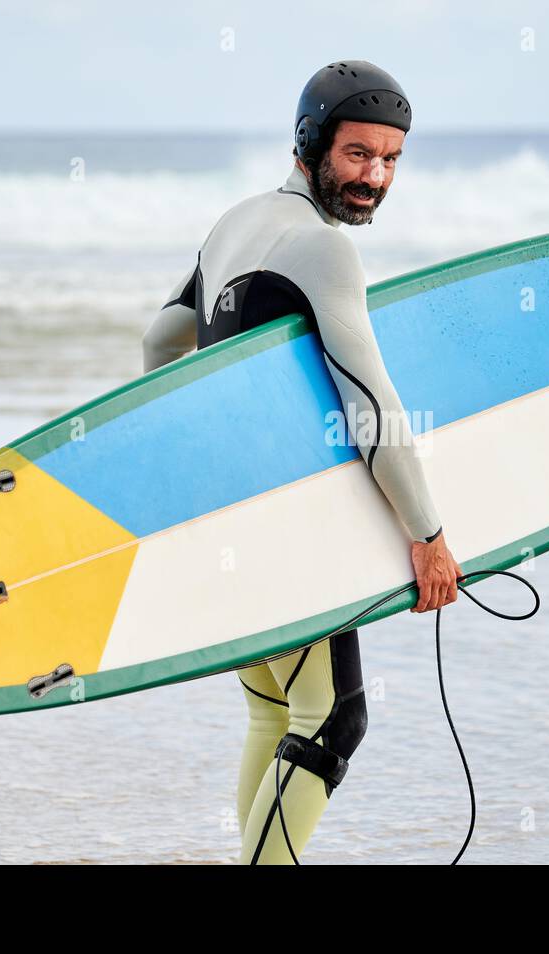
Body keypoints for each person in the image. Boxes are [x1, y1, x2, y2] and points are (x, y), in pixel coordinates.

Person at [141, 61, 463, 864]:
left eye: (390, 160)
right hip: (283, 523)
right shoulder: (322, 249)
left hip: (226, 512)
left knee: (274, 714)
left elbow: (161, 342)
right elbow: (372, 404)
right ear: (311, 142)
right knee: (334, 720)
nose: (375, 177)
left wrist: (193, 454)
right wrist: (427, 533)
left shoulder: (238, 222)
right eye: (357, 155)